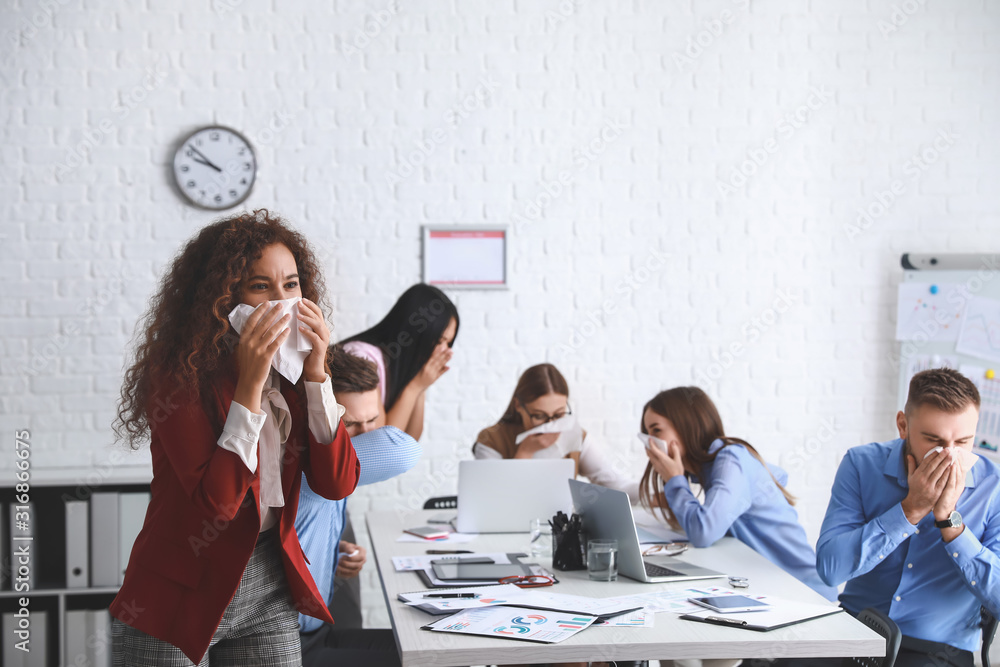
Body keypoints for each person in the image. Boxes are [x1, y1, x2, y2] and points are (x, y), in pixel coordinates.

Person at [109, 210, 360, 665]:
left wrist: (318, 375)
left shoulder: (295, 374)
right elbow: (218, 506)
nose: (282, 302)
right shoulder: (177, 373)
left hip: (268, 584)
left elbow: (336, 483)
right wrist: (249, 386)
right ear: (224, 297)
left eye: (292, 285)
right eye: (260, 287)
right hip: (176, 594)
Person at [816, 368, 1000, 667]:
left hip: (938, 651)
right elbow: (830, 569)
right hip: (855, 632)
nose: (949, 455)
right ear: (903, 425)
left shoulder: (994, 488)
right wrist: (909, 510)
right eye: (933, 440)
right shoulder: (862, 465)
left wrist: (950, 523)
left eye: (963, 442)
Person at [640, 386, 835, 599]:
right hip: (771, 589)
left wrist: (675, 480)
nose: (650, 443)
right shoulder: (711, 469)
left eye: (656, 431)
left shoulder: (730, 458)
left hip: (805, 595)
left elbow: (704, 533)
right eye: (647, 433)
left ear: (686, 425)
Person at [297, 346, 421, 667]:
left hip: (317, 633)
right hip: (291, 647)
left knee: (433, 652)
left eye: (373, 420)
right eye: (350, 425)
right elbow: (404, 450)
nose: (369, 438)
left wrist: (330, 557)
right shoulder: (311, 464)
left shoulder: (338, 470)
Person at [473, 363, 638, 501]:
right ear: (518, 406)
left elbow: (615, 484)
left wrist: (654, 493)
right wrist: (525, 451)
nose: (551, 425)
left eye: (559, 415)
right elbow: (494, 500)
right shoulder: (491, 439)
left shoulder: (574, 436)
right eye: (539, 416)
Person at [341, 283, 459, 440]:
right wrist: (415, 386)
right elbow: (384, 445)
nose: (445, 351)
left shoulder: (404, 368)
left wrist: (420, 386)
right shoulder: (362, 358)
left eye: (448, 343)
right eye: (439, 341)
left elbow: (409, 442)